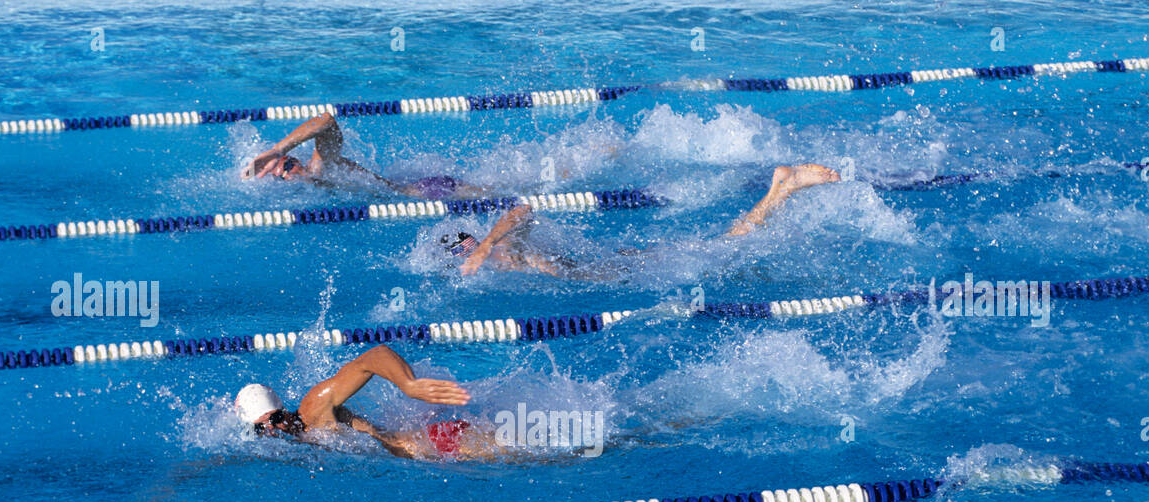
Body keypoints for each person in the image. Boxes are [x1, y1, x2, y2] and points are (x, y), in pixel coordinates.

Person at [450, 162, 842, 279]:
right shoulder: (507, 260)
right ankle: (780, 192)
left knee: (728, 249)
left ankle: (781, 190)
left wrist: (485, 247)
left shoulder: (505, 248)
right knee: (726, 249)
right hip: (624, 263)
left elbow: (521, 210)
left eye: (470, 254)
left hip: (626, 265)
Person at [233, 343, 498, 460]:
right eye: (260, 428)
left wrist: (409, 385)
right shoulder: (296, 442)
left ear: (283, 412)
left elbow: (373, 357)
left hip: (441, 444)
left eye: (275, 419)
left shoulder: (313, 408)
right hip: (432, 454)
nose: (272, 429)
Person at [242, 112, 488, 200]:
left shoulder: (320, 167)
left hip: (431, 191)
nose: (289, 175)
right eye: (281, 176)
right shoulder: (317, 185)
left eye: (288, 167)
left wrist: (278, 150)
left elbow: (326, 121)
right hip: (424, 192)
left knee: (504, 196)